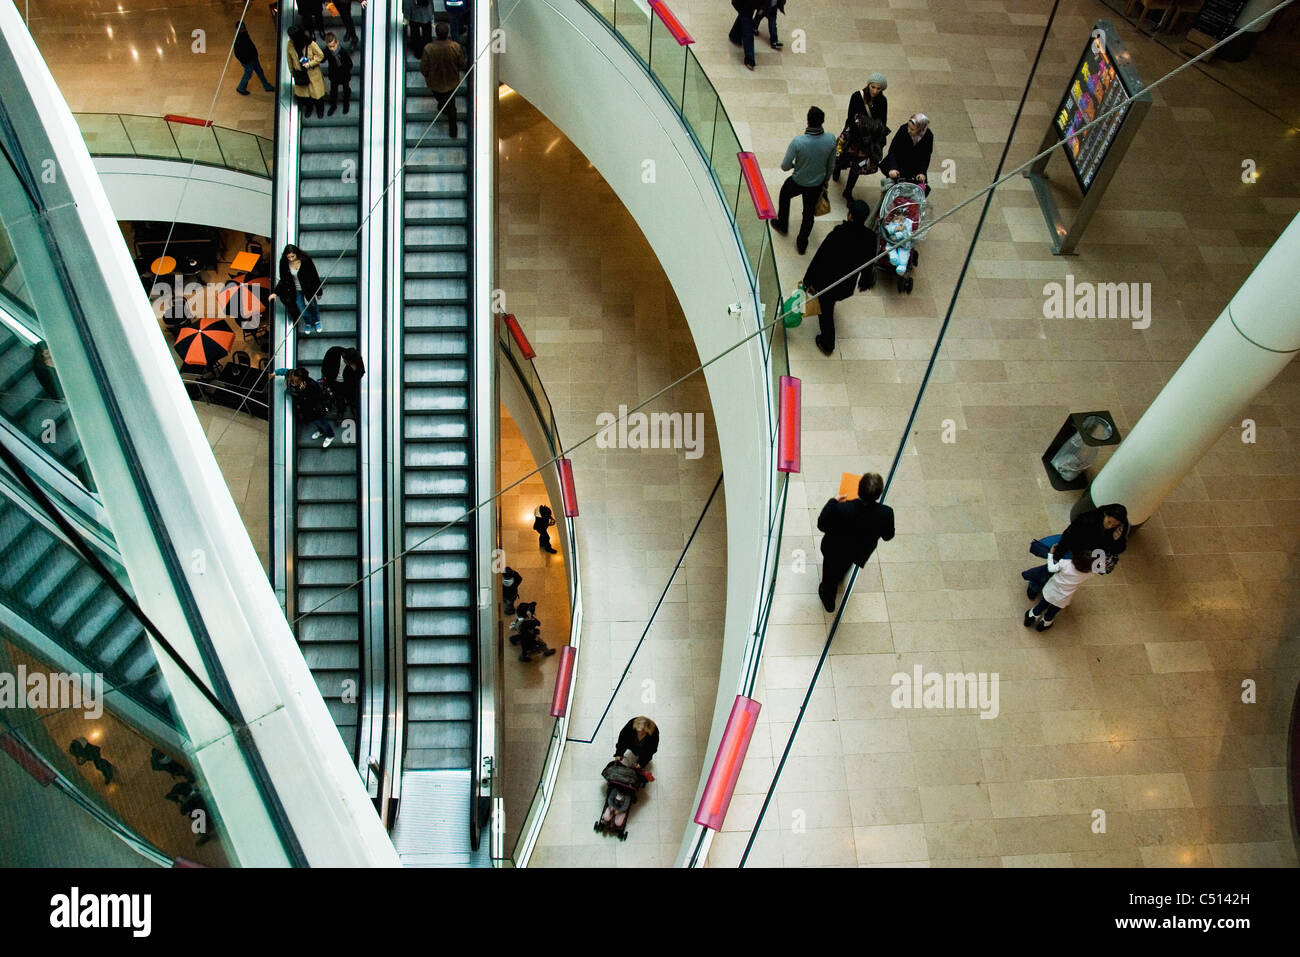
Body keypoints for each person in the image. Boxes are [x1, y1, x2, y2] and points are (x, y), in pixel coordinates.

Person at [802, 200, 876, 356]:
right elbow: (869, 265)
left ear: (850, 216)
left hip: (828, 282)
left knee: (825, 311)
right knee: (830, 302)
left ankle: (827, 343)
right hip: (846, 285)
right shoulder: (870, 238)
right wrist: (866, 280)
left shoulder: (839, 233)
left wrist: (808, 281)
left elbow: (820, 258)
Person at [817, 472, 895, 612]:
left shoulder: (840, 508)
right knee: (844, 566)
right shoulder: (886, 513)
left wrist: (833, 501)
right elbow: (888, 536)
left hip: (834, 550)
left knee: (829, 576)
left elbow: (822, 525)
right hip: (858, 552)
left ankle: (829, 599)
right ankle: (840, 577)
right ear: (878, 495)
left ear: (858, 488)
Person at [771, 106, 837, 255]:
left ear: (807, 121)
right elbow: (831, 165)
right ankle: (802, 242)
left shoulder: (798, 142)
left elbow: (784, 166)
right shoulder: (831, 139)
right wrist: (825, 180)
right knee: (808, 214)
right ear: (823, 121)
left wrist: (796, 165)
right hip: (817, 184)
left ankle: (782, 224)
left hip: (798, 181)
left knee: (784, 194)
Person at [835, 73, 889, 199]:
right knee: (842, 156)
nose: (875, 91)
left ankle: (848, 190)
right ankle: (836, 170)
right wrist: (857, 135)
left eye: (878, 88)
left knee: (858, 166)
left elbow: (882, 121)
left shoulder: (882, 101)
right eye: (873, 87)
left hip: (867, 139)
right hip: (853, 135)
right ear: (868, 85)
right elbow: (850, 117)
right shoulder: (857, 96)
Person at [419, 20, 467, 138]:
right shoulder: (455, 47)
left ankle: (442, 107)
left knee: (442, 100)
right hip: (451, 82)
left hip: (435, 83)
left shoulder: (428, 48)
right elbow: (461, 63)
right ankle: (453, 130)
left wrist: (428, 75)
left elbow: (423, 67)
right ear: (447, 33)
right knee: (452, 107)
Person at [269, 366, 335, 447]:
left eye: (296, 381)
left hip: (316, 408)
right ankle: (321, 431)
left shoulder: (311, 385)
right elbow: (283, 371)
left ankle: (330, 435)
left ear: (302, 380)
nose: (293, 382)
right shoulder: (291, 374)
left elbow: (310, 399)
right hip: (308, 409)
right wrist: (274, 373)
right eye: (293, 379)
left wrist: (302, 391)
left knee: (321, 421)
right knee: (315, 422)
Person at [269, 244, 324, 335]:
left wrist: (319, 292)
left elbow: (314, 275)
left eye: (292, 256)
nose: (291, 259)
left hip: (308, 288)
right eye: (289, 257)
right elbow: (283, 279)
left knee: (313, 305)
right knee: (301, 308)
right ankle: (308, 322)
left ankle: (317, 321)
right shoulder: (284, 263)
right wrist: (275, 292)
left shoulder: (306, 260)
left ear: (296, 254)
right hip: (295, 289)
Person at [881, 113, 934, 187]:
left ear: (920, 129)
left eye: (912, 129)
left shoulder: (928, 136)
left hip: (914, 168)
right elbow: (893, 150)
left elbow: (926, 156)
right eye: (908, 127)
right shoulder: (903, 129)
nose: (908, 130)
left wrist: (922, 172)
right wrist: (893, 167)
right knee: (890, 187)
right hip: (899, 163)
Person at [287, 27, 326, 119]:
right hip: (300, 74)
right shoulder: (290, 45)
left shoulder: (310, 44)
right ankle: (309, 108)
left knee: (317, 95)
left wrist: (310, 64)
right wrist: (292, 72)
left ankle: (320, 110)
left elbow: (321, 56)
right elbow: (289, 59)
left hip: (312, 74)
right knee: (305, 95)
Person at [233, 22, 276, 95]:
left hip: (253, 58)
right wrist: (245, 61)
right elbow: (237, 53)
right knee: (248, 74)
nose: (243, 29)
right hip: (248, 61)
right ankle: (241, 88)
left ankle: (267, 86)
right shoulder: (239, 39)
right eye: (241, 28)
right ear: (238, 29)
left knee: (260, 72)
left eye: (244, 27)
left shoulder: (245, 35)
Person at [320, 346, 365, 416]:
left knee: (351, 397)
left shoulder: (357, 359)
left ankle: (353, 410)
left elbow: (361, 373)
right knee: (337, 398)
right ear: (344, 357)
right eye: (348, 362)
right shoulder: (333, 352)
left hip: (348, 383)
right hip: (333, 381)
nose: (348, 364)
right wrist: (328, 377)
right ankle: (340, 410)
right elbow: (324, 368)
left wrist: (355, 369)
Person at [323, 32, 354, 116]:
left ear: (337, 42)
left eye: (333, 46)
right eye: (330, 47)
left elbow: (350, 64)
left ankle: (346, 104)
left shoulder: (343, 52)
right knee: (333, 91)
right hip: (334, 75)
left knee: (346, 89)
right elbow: (323, 58)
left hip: (344, 75)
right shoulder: (327, 51)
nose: (332, 49)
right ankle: (333, 106)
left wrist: (344, 70)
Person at [728, 0, 762, 70]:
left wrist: (763, 8)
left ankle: (734, 36)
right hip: (745, 5)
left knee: (743, 18)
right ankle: (749, 59)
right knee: (748, 30)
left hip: (749, 6)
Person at [882, 207, 914, 276]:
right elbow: (888, 230)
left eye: (902, 217)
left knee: (904, 253)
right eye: (898, 217)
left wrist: (899, 235)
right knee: (889, 247)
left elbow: (909, 235)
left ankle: (902, 265)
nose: (900, 219)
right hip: (891, 241)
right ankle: (893, 257)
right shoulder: (893, 222)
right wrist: (895, 228)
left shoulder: (908, 223)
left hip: (904, 243)